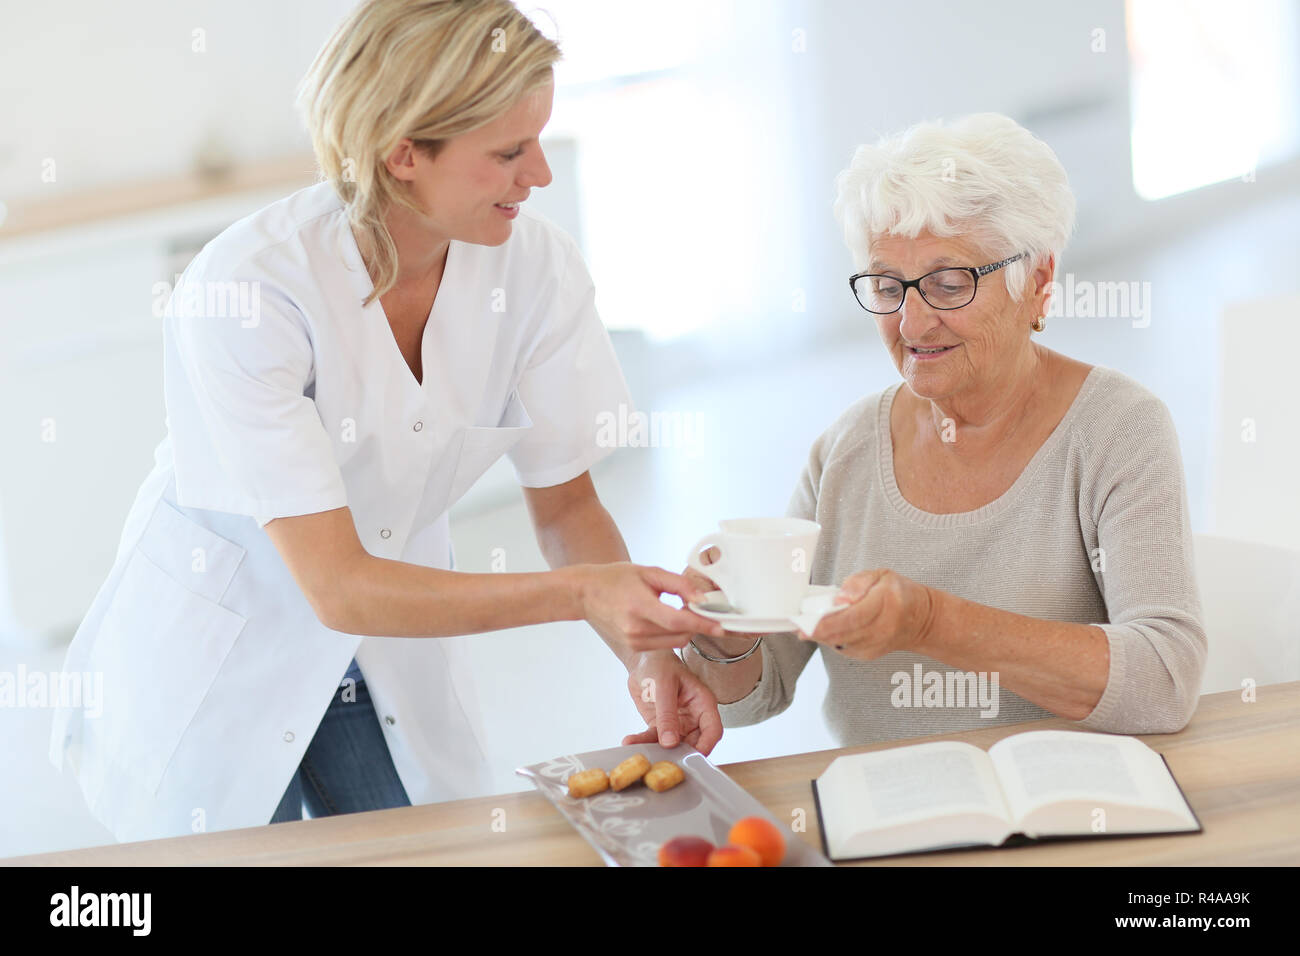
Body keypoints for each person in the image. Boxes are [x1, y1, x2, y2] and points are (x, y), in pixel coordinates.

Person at [49, 0, 726, 844]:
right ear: (405, 153)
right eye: (510, 152)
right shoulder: (252, 290)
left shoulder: (536, 269)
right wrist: (581, 595)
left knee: (414, 852)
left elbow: (567, 507)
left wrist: (646, 654)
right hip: (224, 652)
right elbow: (337, 585)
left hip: (394, 635)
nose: (541, 174)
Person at [645, 113, 1207, 749]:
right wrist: (726, 635)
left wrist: (931, 622)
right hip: (883, 816)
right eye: (889, 285)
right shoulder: (846, 450)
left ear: (1038, 281)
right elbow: (761, 690)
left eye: (948, 283)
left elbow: (1164, 681)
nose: (912, 322)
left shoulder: (1117, 429)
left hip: (1067, 812)